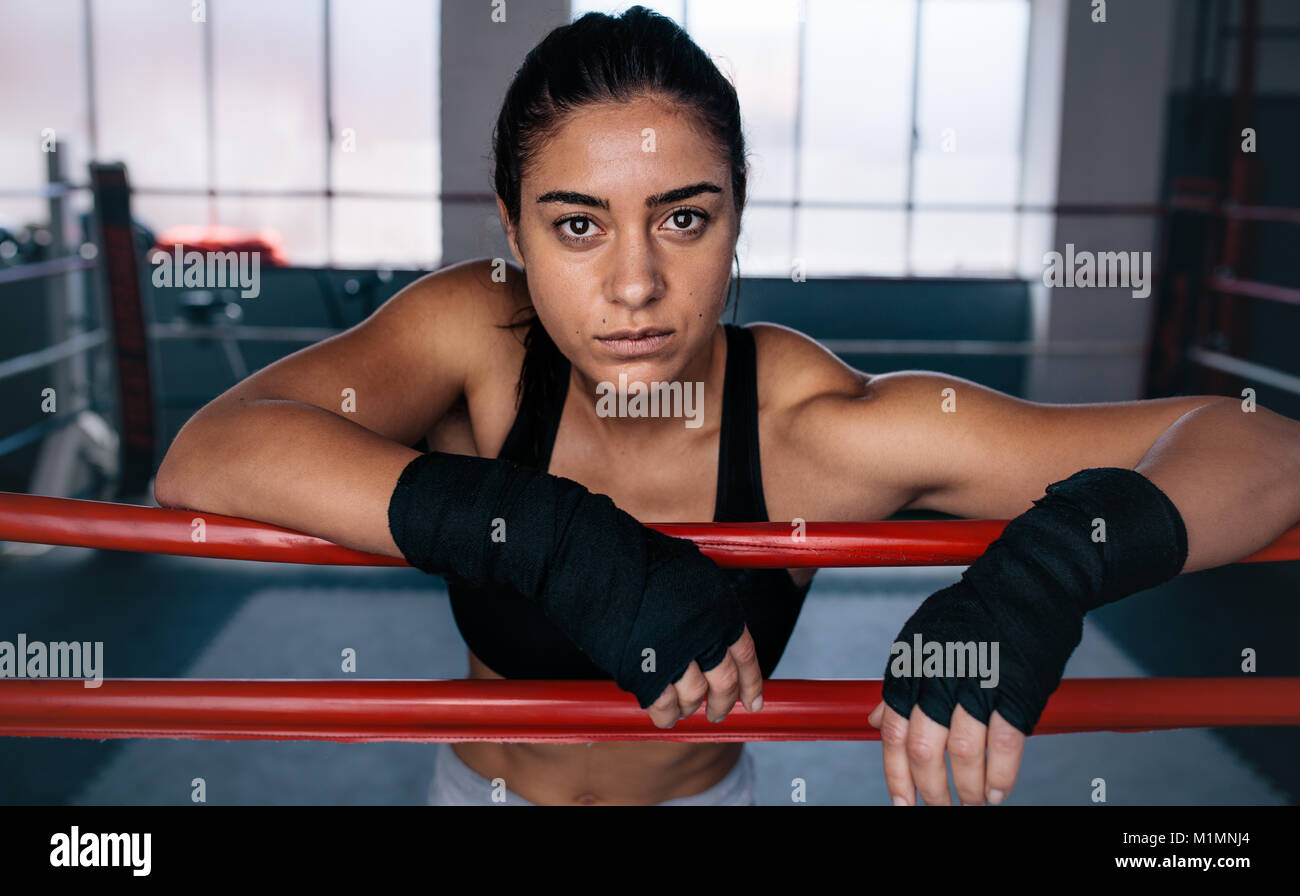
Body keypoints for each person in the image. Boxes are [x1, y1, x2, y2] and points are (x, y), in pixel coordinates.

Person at [154, 7, 1300, 806]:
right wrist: (553, 537)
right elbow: (211, 453)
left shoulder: (805, 430)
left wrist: (1046, 570)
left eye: (684, 218)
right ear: (510, 232)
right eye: (577, 224)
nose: (636, 283)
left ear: (738, 215)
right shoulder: (481, 339)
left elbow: (1261, 446)